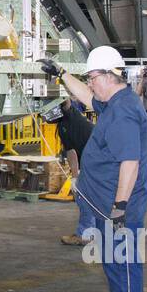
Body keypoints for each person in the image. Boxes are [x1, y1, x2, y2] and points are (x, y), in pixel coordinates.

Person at [42, 46, 147, 292]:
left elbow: (129, 163)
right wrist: (61, 74)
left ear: (109, 75)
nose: (89, 83)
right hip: (106, 205)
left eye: (92, 77)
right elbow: (90, 99)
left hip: (115, 210)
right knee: (119, 267)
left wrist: (119, 208)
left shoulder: (123, 112)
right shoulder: (115, 101)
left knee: (122, 268)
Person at [54, 97, 96, 246]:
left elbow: (71, 153)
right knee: (93, 197)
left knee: (84, 197)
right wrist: (75, 177)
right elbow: (71, 152)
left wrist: (76, 178)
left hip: (96, 159)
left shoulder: (70, 116)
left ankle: (85, 234)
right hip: (95, 159)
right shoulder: (63, 123)